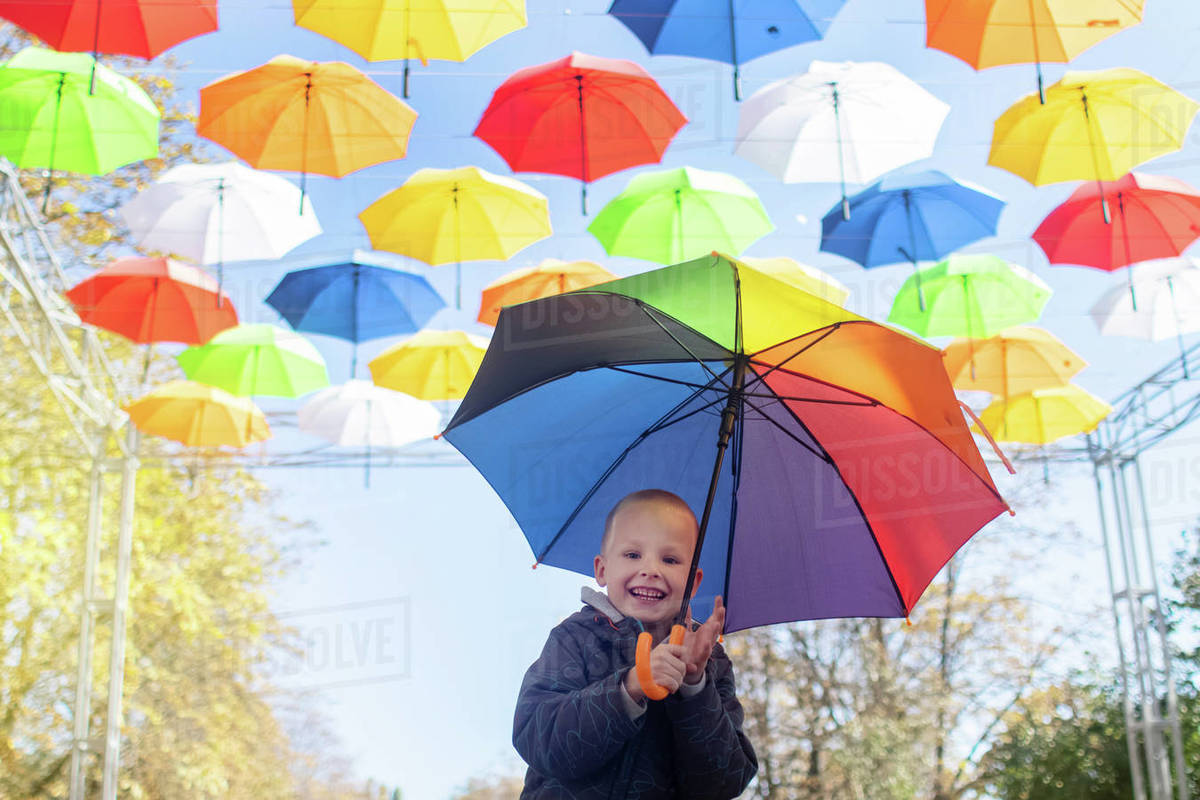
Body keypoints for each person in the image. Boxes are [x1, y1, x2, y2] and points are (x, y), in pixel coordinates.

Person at [513, 489, 758, 799]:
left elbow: (722, 783)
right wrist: (630, 687)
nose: (651, 570)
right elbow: (539, 738)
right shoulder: (575, 636)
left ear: (694, 583)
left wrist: (695, 685)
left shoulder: (712, 663)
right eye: (632, 555)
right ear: (602, 570)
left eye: (670, 559)